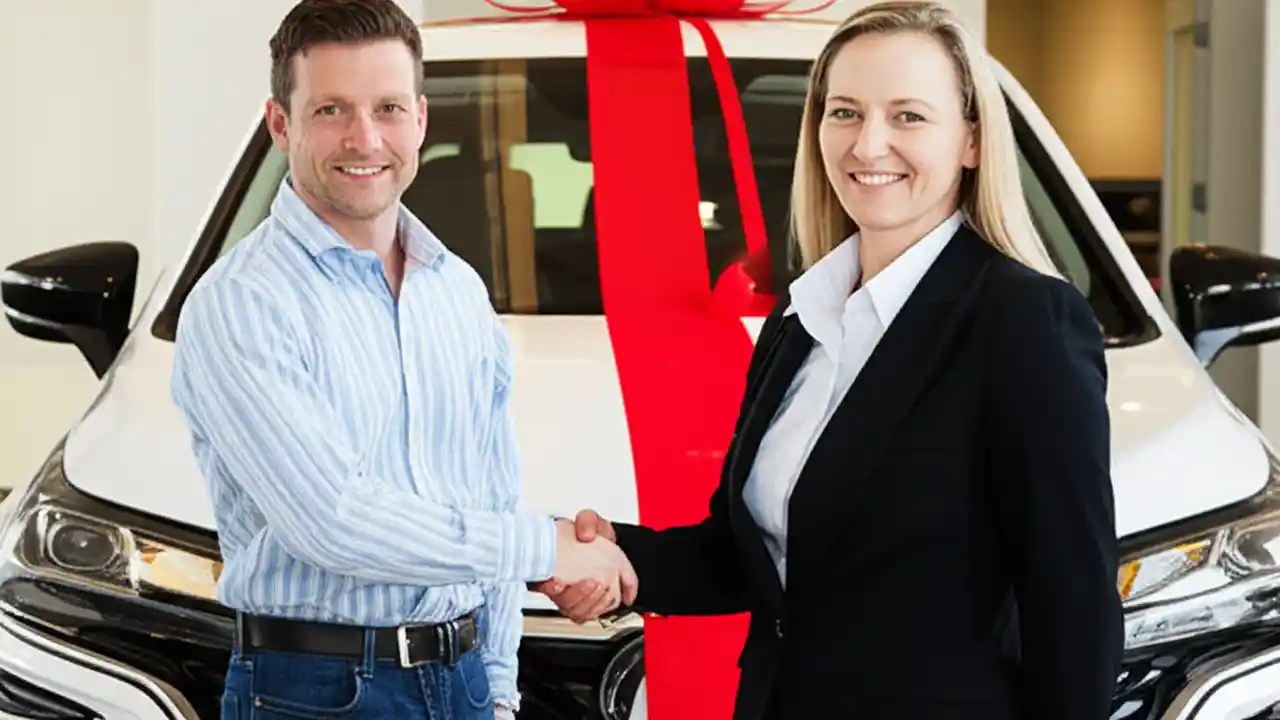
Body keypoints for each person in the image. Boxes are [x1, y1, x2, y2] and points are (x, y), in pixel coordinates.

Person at [538, 1, 1124, 718]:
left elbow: (1074, 606)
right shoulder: (801, 318)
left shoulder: (1024, 321)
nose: (868, 145)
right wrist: (597, 552)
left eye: (908, 116)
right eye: (844, 113)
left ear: (972, 139)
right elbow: (744, 558)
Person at [169, 2, 635, 718]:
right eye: (331, 109)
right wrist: (544, 549)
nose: (365, 138)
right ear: (280, 124)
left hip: (464, 681)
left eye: (388, 107)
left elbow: (491, 501)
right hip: (318, 694)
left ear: (420, 118)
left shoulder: (455, 292)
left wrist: (501, 691)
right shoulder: (241, 303)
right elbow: (330, 520)